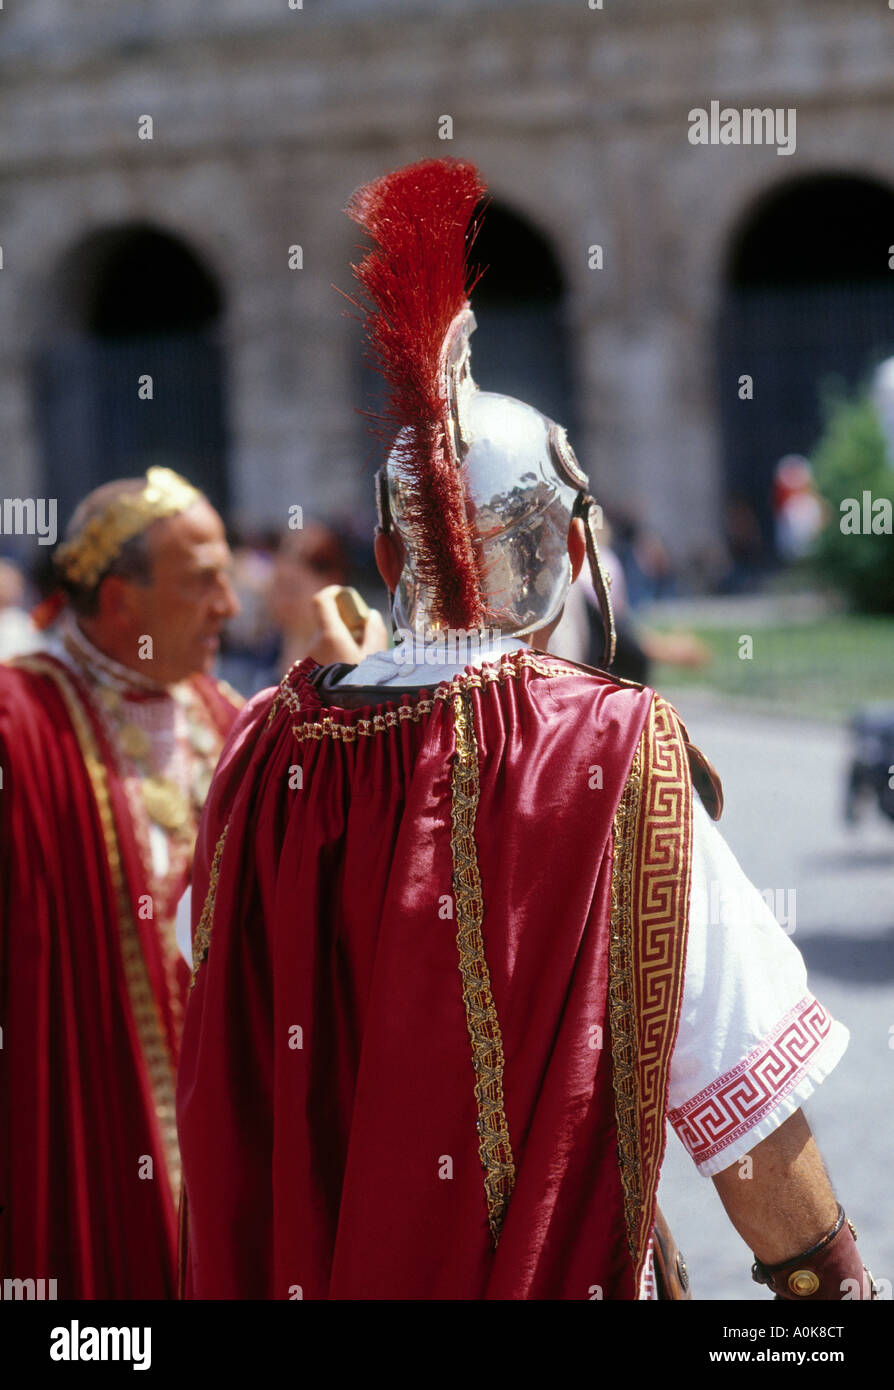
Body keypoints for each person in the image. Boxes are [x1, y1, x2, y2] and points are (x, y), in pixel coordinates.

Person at [177, 160, 874, 1300]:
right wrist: (828, 1283)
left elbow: (227, 1022)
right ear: (575, 552)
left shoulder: (265, 749)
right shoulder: (609, 754)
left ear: (391, 558)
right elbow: (737, 1074)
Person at [0, 467, 243, 1299]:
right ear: (117, 602)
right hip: (91, 1137)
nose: (229, 608)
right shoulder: (20, 727)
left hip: (228, 1142)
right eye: (202, 583)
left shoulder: (227, 714)